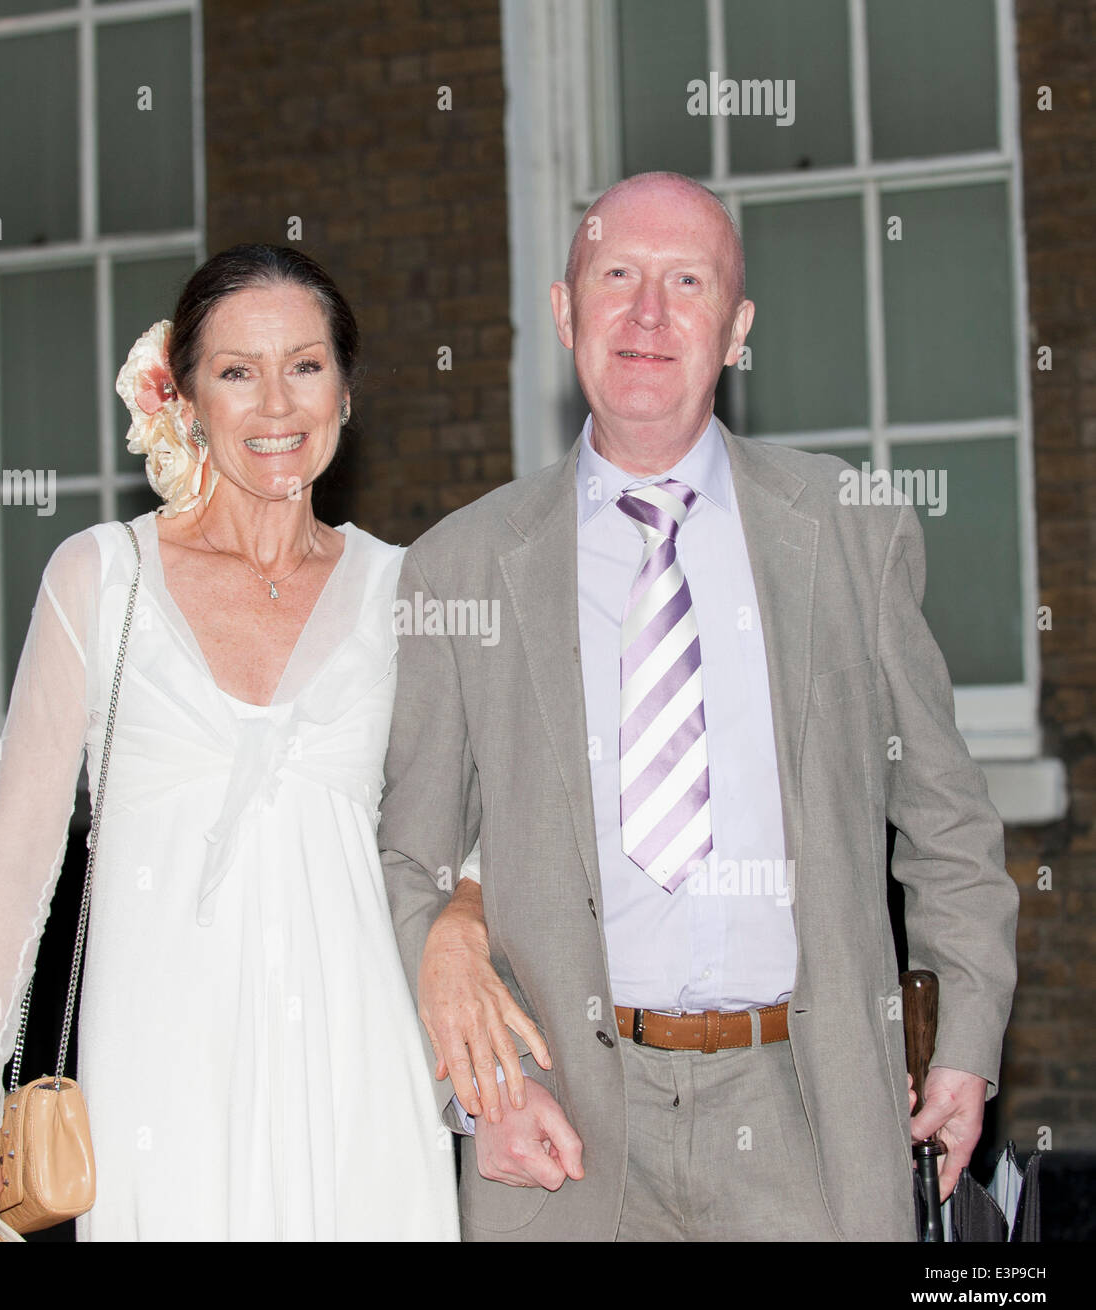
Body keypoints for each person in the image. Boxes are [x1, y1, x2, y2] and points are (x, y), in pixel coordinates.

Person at [379, 172, 1019, 1241]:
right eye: (615, 276)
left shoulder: (850, 533)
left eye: (687, 281)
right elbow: (413, 864)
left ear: (736, 328)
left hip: (809, 1118)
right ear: (563, 309)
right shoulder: (462, 565)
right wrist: (477, 1088)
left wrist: (963, 1035)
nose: (645, 313)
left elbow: (947, 819)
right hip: (564, 1128)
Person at [0, 244, 460, 1241]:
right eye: (237, 371)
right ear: (184, 397)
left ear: (345, 387)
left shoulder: (404, 591)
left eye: (305, 364)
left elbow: (455, 850)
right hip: (160, 1081)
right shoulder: (99, 577)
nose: (275, 404)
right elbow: (19, 850)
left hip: (362, 1079)